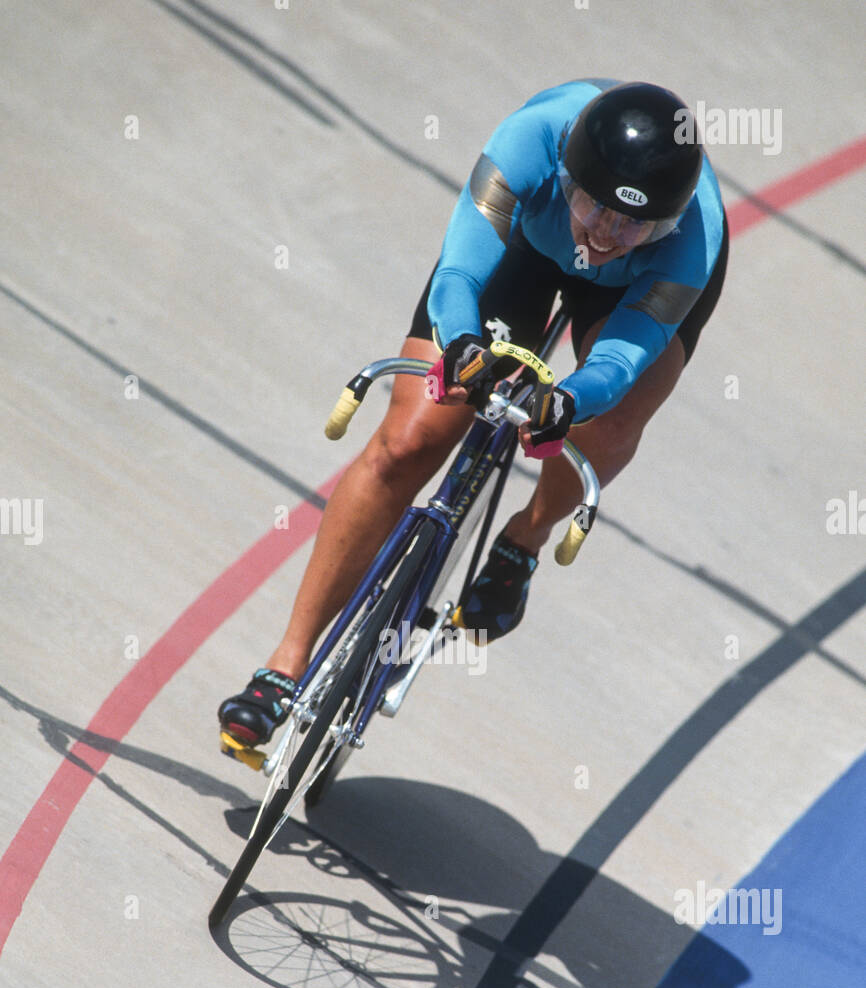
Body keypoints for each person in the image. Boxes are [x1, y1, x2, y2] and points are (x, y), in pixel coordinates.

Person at [219, 79, 728, 748]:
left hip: (635, 292)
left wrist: (568, 400)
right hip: (525, 246)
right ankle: (286, 664)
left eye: (632, 222)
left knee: (609, 420)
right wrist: (462, 343)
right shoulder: (528, 146)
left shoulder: (693, 239)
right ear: (565, 173)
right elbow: (459, 274)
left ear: (666, 223)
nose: (604, 234)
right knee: (409, 439)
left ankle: (525, 539)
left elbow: (618, 366)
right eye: (592, 206)